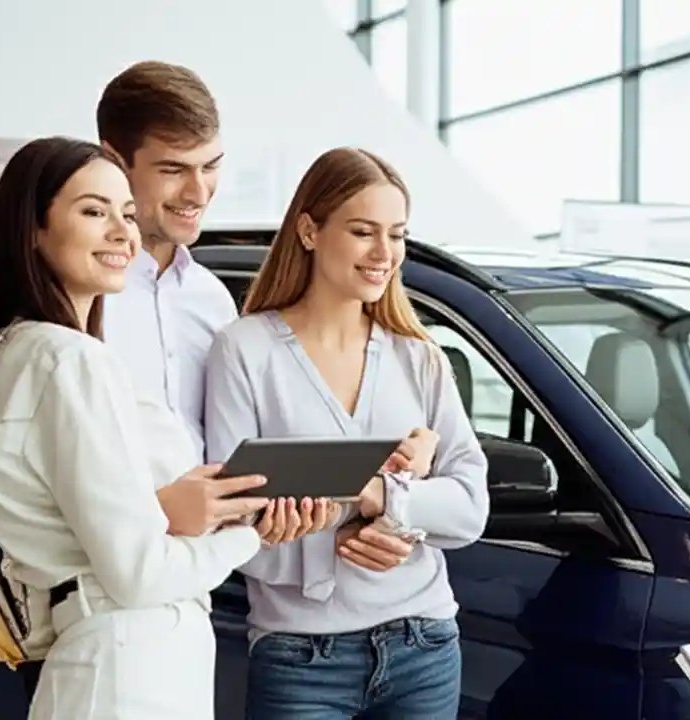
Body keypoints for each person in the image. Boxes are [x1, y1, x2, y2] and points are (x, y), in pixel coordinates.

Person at [0, 61, 340, 693]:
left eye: (211, 166)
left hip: (188, 605)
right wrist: (134, 520)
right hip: (101, 614)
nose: (198, 191)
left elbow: (220, 460)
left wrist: (260, 506)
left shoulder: (213, 302)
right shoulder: (55, 336)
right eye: (174, 168)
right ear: (114, 158)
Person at [0, 135, 269, 720]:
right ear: (32, 229)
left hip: (112, 660)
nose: (124, 233)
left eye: (127, 213)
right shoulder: (67, 360)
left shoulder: (13, 352)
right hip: (128, 665)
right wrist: (254, 535)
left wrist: (185, 513)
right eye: (95, 212)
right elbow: (140, 572)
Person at [205, 146, 490, 719]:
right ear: (309, 231)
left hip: (423, 645)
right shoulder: (245, 350)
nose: (384, 253)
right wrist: (348, 536)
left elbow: (469, 509)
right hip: (299, 657)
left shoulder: (420, 358)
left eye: (397, 234)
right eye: (363, 232)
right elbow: (230, 521)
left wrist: (387, 501)